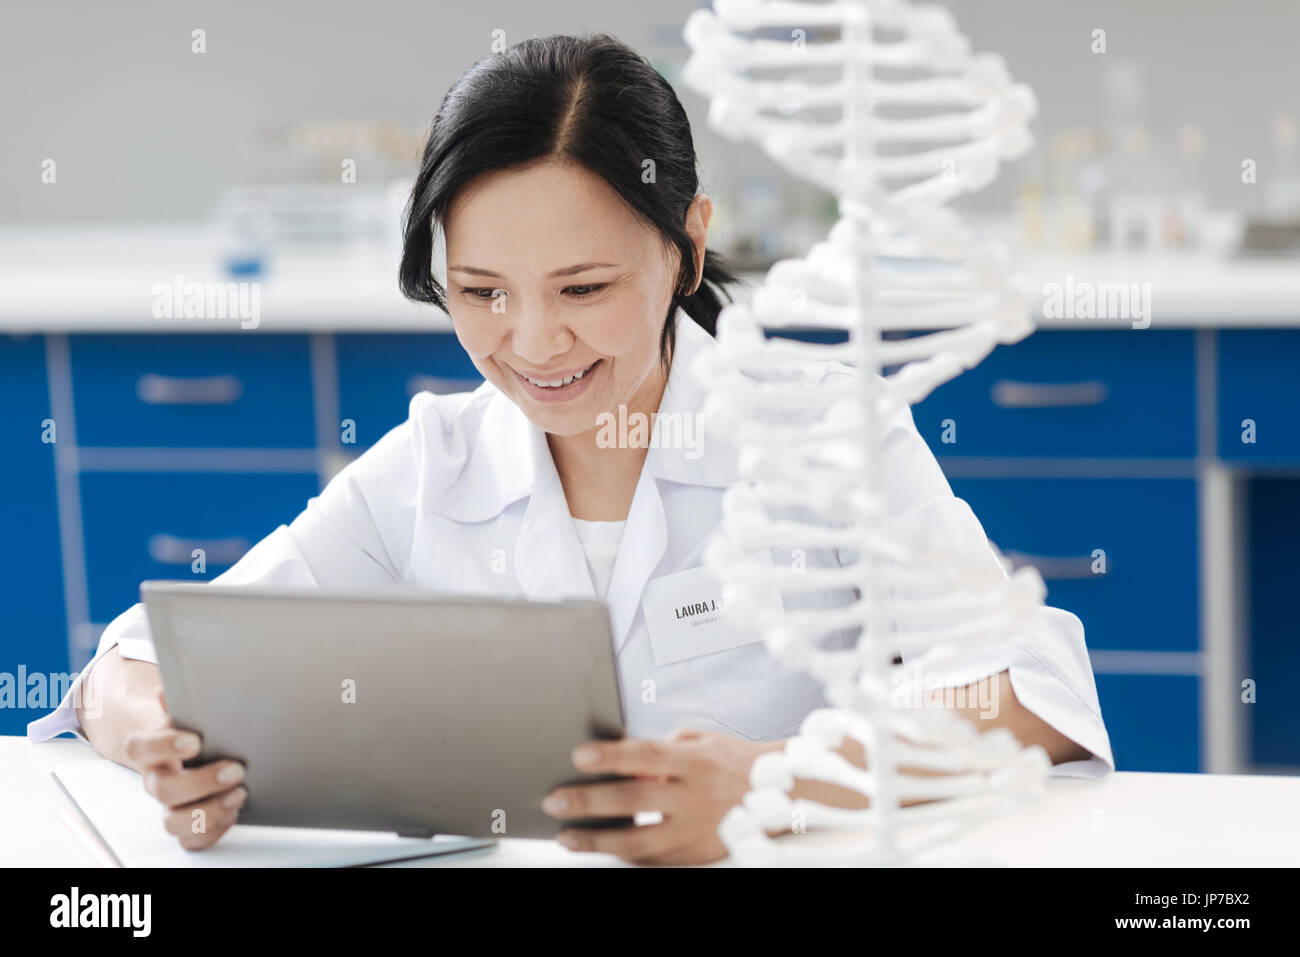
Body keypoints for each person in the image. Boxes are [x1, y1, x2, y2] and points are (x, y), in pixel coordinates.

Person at [30, 33, 1113, 865]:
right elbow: (134, 663)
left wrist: (774, 785)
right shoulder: (432, 467)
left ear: (687, 245)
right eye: (481, 294)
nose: (533, 345)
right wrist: (163, 744)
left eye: (583, 289)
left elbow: (1026, 685)